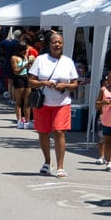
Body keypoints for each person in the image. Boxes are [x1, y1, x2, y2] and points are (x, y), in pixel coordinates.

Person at [28, 30, 79, 177]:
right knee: (43, 133)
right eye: (54, 42)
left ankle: (60, 166)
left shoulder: (68, 62)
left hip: (62, 103)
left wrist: (65, 86)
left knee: (59, 131)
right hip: (43, 102)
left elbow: (75, 84)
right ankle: (47, 161)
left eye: (59, 42)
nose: (57, 44)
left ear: (63, 45)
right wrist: (43, 82)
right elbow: (31, 81)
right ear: (49, 44)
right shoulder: (41, 60)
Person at [10, 39, 33, 129]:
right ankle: (19, 120)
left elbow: (28, 68)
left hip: (26, 77)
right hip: (18, 78)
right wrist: (25, 65)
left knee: (27, 101)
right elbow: (15, 71)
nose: (25, 51)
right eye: (24, 50)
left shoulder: (25, 56)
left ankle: (27, 121)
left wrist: (30, 64)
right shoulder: (14, 58)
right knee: (19, 101)